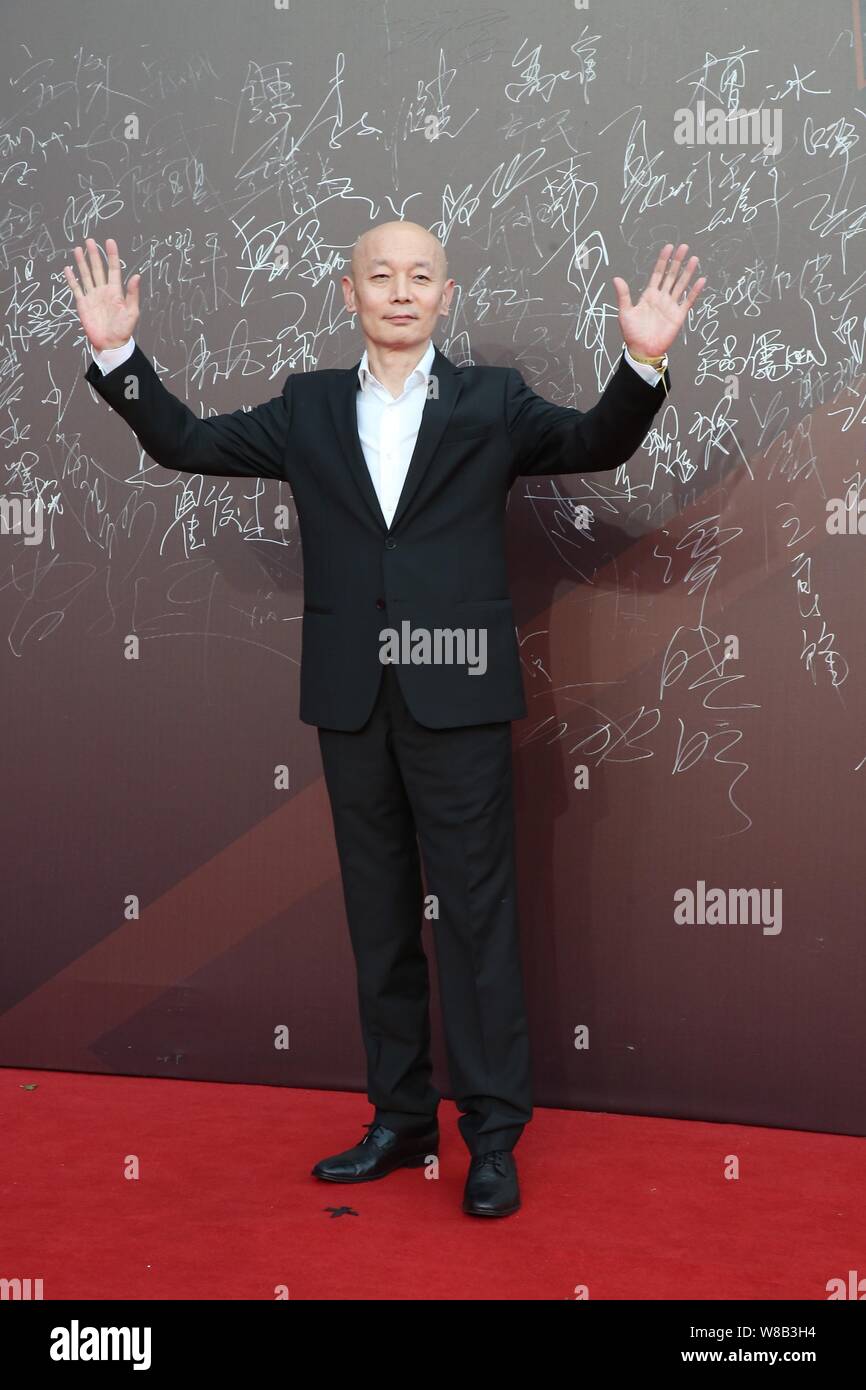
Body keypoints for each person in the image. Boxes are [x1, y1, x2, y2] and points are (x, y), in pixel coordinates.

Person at [65, 223, 704, 1217]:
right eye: (379, 275)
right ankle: (398, 1118)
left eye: (418, 276)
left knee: (478, 922)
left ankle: (490, 1138)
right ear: (347, 291)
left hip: (459, 698)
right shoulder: (309, 405)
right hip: (353, 702)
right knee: (378, 925)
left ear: (444, 295)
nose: (398, 291)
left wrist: (643, 359)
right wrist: (118, 355)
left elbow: (593, 442)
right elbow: (185, 442)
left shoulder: (491, 402)